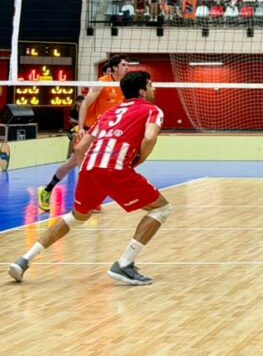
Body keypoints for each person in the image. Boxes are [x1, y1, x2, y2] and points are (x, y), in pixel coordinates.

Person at [10, 72, 172, 285]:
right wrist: (138, 161)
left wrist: (90, 166)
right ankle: (124, 264)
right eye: (151, 85)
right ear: (142, 91)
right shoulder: (152, 110)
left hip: (89, 168)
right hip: (115, 168)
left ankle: (24, 260)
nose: (155, 89)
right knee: (161, 208)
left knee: (77, 217)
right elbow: (150, 137)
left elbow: (80, 147)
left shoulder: (110, 112)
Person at [38, 55, 130, 212]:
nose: (127, 67)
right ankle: (47, 191)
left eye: (127, 65)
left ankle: (90, 199)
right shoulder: (102, 82)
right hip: (89, 129)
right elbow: (85, 104)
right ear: (115, 68)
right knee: (74, 163)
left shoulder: (125, 85)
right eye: (124, 65)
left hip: (106, 132)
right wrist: (80, 128)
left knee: (100, 165)